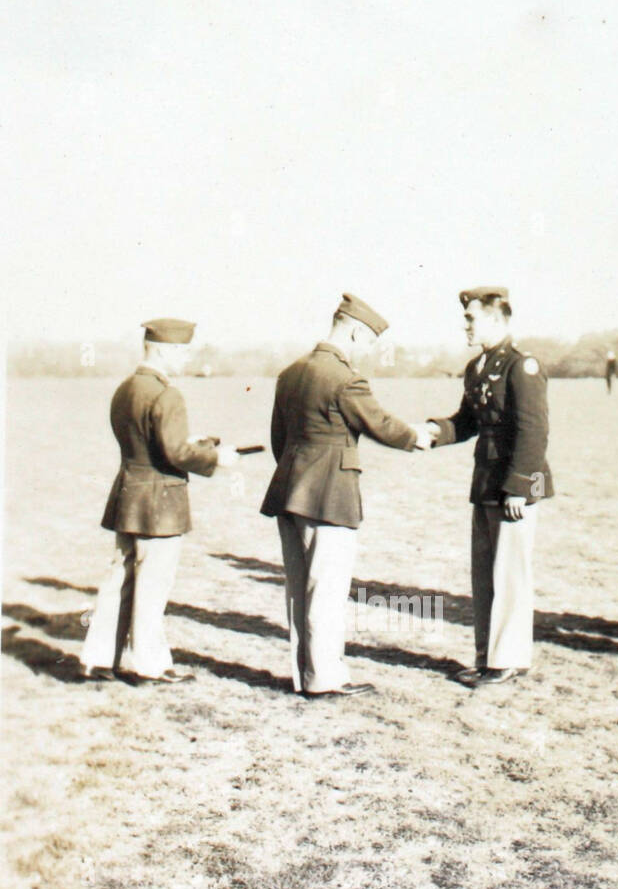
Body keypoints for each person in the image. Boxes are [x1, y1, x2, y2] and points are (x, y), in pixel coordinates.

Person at [260, 293, 434, 697]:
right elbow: (381, 425)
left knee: (299, 587)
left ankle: (304, 675)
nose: (368, 352)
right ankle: (325, 678)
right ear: (355, 332)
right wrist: (419, 437)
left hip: (289, 490)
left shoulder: (291, 373)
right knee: (327, 589)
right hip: (328, 496)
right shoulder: (344, 378)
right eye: (369, 342)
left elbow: (278, 440)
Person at [80, 318, 238, 684]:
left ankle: (98, 660)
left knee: (119, 578)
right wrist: (217, 458)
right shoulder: (167, 394)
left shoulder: (126, 388)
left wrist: (192, 443)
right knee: (152, 585)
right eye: (183, 352)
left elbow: (149, 442)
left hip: (128, 496)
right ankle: (149, 666)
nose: (187, 360)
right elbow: (175, 452)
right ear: (164, 350)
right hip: (159, 505)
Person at [426, 286, 553, 687]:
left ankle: (508, 660)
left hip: (512, 486)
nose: (465, 325)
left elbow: (533, 430)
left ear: (497, 320)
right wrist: (434, 431)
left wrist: (519, 487)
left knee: (511, 574)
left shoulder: (521, 366)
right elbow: (466, 423)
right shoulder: (477, 367)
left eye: (471, 319)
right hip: (485, 484)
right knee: (485, 575)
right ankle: (487, 658)